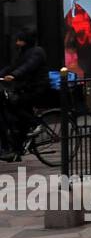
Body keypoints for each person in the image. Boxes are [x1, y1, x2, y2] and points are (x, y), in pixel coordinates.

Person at [0, 29, 46, 161]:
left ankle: (37, 123)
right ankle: (16, 150)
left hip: (36, 88)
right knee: (16, 117)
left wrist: (14, 75)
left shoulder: (38, 52)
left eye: (19, 40)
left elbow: (28, 67)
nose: (17, 43)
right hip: (24, 87)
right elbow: (12, 66)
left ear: (26, 40)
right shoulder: (22, 53)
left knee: (14, 105)